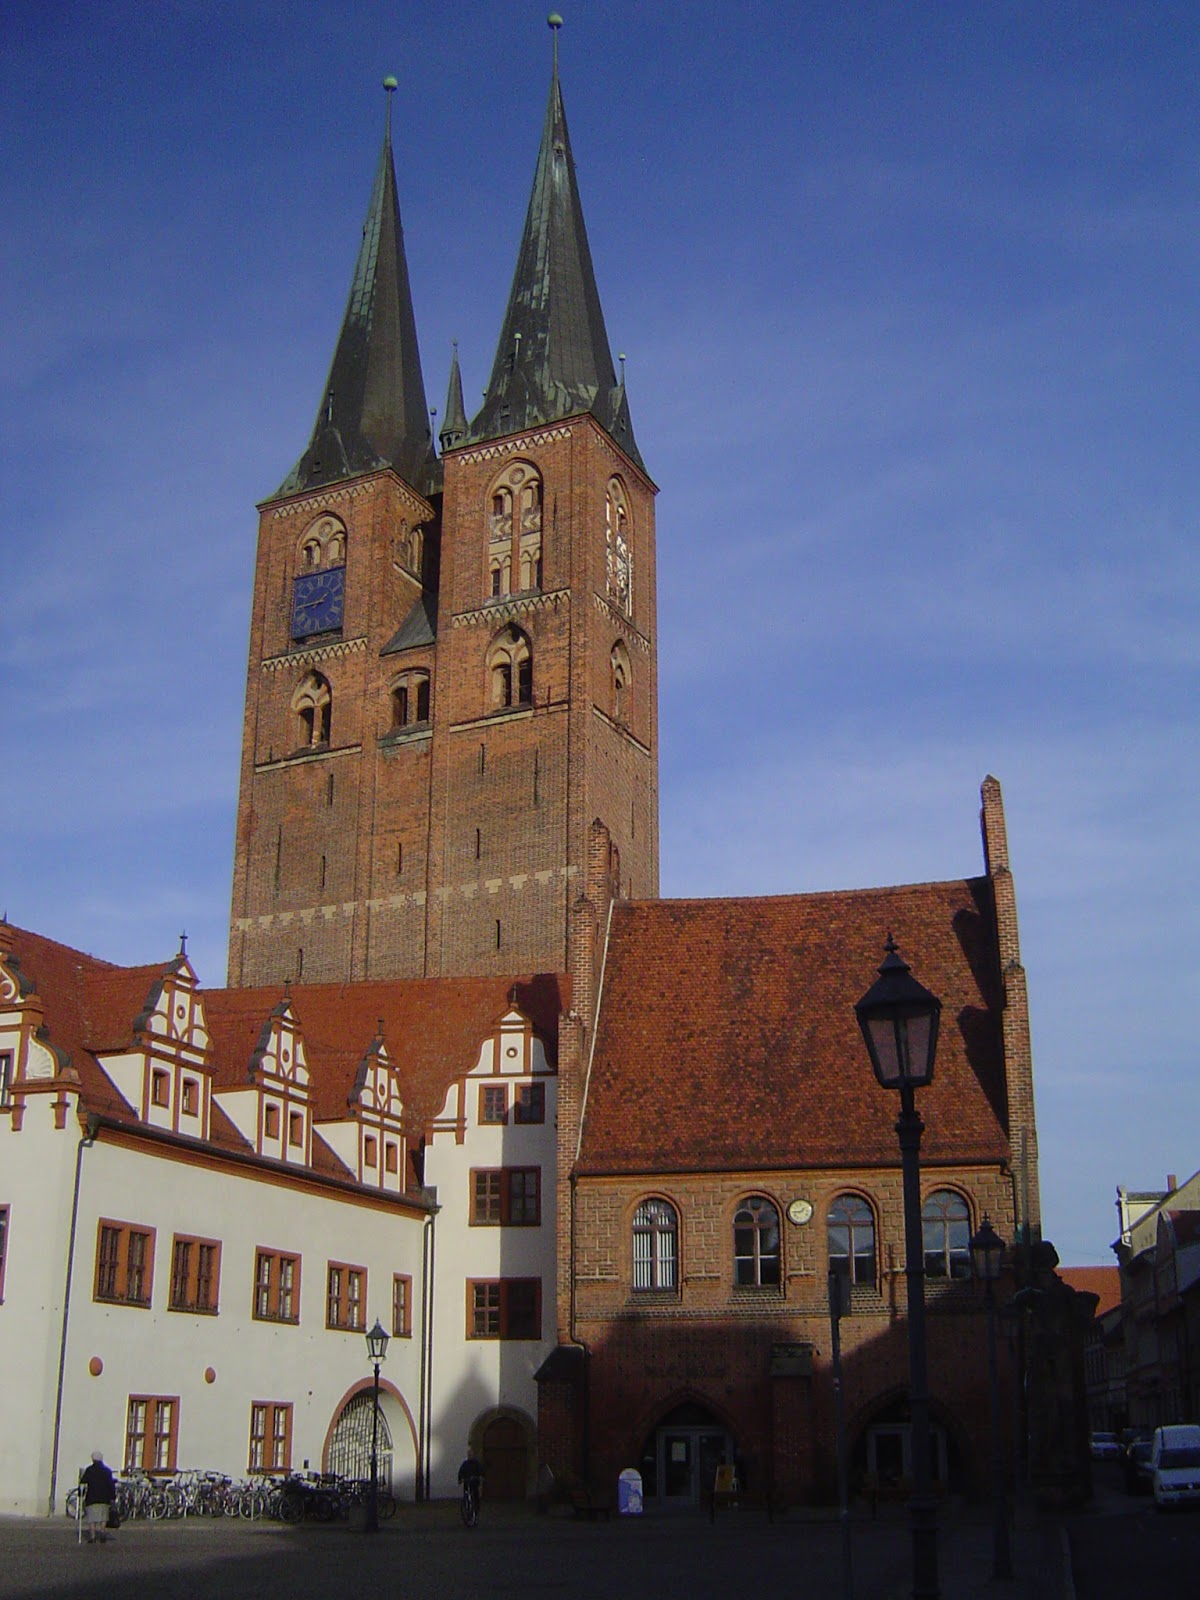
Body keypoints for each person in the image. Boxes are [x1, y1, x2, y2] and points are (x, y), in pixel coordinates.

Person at [80, 1451, 117, 1544]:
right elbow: (111, 1485)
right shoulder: (107, 1471)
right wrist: (112, 1497)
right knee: (103, 1517)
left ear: (93, 1459)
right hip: (104, 1497)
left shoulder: (89, 1470)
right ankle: (102, 1533)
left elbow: (83, 1481)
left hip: (92, 1497)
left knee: (92, 1518)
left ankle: (92, 1536)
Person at [457, 1449, 484, 1517]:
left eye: (471, 1455)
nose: (469, 1456)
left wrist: (480, 1477)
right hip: (467, 1482)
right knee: (466, 1494)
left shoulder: (476, 1463)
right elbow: (461, 1471)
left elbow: (480, 1471)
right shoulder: (465, 1464)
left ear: (473, 1455)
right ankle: (467, 1507)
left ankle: (476, 1510)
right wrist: (460, 1479)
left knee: (475, 1496)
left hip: (474, 1483)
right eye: (469, 1455)